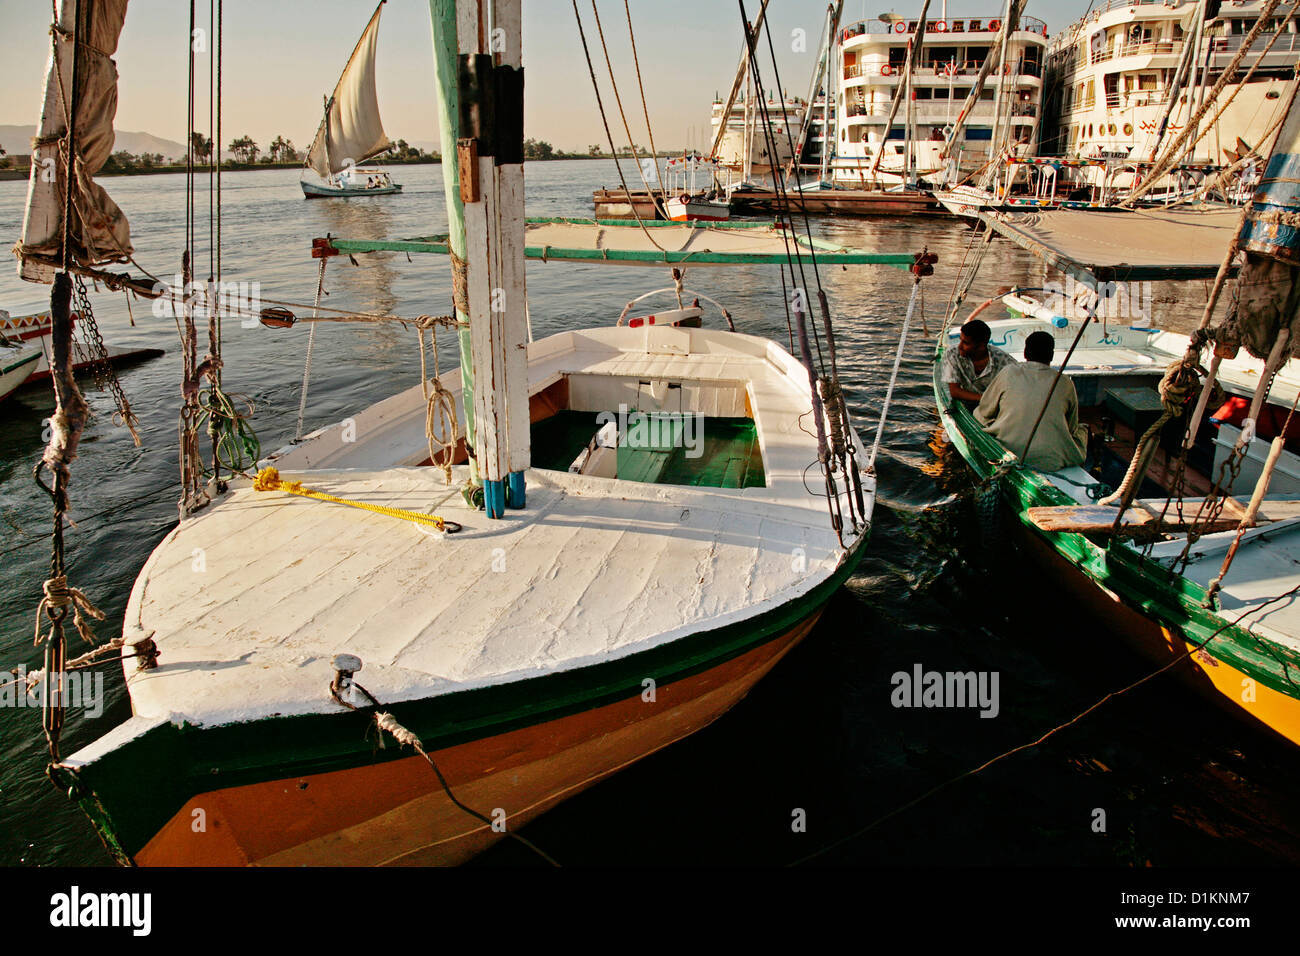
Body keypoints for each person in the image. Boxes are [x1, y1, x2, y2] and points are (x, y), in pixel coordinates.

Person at [975, 330, 1089, 472]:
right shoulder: (1065, 382)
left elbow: (985, 410)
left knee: (980, 416)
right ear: (1051, 355)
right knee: (1082, 430)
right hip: (1051, 460)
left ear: (1025, 353)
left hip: (1010, 453)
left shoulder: (1009, 372)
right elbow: (1071, 427)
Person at [940, 318, 1014, 405]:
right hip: (981, 403)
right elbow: (955, 391)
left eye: (966, 343)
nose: (960, 346)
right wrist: (986, 399)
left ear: (981, 346)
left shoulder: (1004, 361)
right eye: (961, 340)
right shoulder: (952, 353)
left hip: (992, 406)